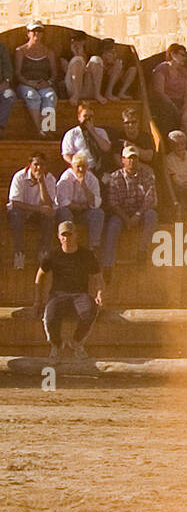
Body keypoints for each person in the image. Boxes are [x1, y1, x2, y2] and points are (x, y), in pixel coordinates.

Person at [35, 221, 103, 362]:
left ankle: (76, 342)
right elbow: (39, 275)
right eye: (63, 235)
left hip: (80, 294)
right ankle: (56, 345)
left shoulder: (86, 254)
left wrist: (99, 294)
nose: (67, 238)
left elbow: (98, 276)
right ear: (59, 237)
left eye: (70, 234)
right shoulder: (52, 254)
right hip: (58, 294)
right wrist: (38, 299)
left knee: (90, 311)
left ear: (76, 235)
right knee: (50, 317)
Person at [101, 145, 158, 282]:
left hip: (140, 212)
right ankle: (108, 265)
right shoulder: (114, 177)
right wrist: (127, 219)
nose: (132, 161)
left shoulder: (147, 176)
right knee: (113, 225)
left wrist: (137, 215)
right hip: (121, 214)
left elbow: (150, 199)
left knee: (151, 215)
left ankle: (142, 251)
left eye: (135, 158)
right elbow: (113, 203)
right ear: (123, 160)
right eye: (129, 159)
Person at [7, 153, 58, 268]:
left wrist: (41, 183)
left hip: (38, 214)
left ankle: (44, 254)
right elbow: (15, 202)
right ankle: (19, 254)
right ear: (30, 165)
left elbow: (49, 204)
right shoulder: (19, 177)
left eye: (42, 165)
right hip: (22, 211)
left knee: (49, 216)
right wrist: (38, 208)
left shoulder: (50, 179)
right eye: (36, 165)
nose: (39, 168)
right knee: (16, 215)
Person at [54, 151, 104, 255]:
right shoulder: (66, 178)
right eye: (78, 166)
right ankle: (68, 245)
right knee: (63, 211)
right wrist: (78, 206)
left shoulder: (92, 179)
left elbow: (96, 203)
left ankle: (94, 247)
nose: (81, 169)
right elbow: (62, 201)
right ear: (72, 166)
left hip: (84, 212)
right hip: (70, 211)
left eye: (83, 166)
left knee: (98, 213)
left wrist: (84, 186)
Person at [14, 22, 58, 136]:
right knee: (33, 96)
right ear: (28, 34)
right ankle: (39, 130)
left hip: (43, 84)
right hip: (25, 84)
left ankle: (47, 128)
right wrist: (29, 83)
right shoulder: (21, 51)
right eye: (34, 32)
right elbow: (17, 74)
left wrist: (48, 82)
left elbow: (54, 73)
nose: (37, 35)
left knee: (50, 96)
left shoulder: (49, 52)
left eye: (40, 32)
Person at [150, 42, 187, 133]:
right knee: (168, 113)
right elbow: (159, 92)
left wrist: (185, 106)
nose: (184, 58)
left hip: (180, 102)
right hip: (165, 102)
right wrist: (172, 106)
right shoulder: (161, 69)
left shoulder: (184, 72)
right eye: (182, 55)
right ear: (173, 54)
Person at [61, 102, 113, 173]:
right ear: (79, 117)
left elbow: (106, 148)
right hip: (79, 169)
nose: (88, 119)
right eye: (85, 116)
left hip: (99, 169)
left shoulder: (101, 132)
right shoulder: (72, 133)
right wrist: (77, 167)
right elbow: (66, 155)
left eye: (90, 116)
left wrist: (93, 132)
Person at [62, 31, 106, 104]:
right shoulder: (65, 55)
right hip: (73, 87)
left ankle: (97, 93)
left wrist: (81, 54)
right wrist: (76, 55)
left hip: (88, 86)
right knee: (77, 60)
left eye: (78, 40)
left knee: (96, 59)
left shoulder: (89, 55)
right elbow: (67, 71)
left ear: (84, 42)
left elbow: (98, 71)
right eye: (73, 40)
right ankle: (76, 94)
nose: (76, 43)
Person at [0, 41, 16, 139]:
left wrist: (6, 81)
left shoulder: (1, 47)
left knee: (10, 96)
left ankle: (0, 126)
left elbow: (8, 67)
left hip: (1, 84)